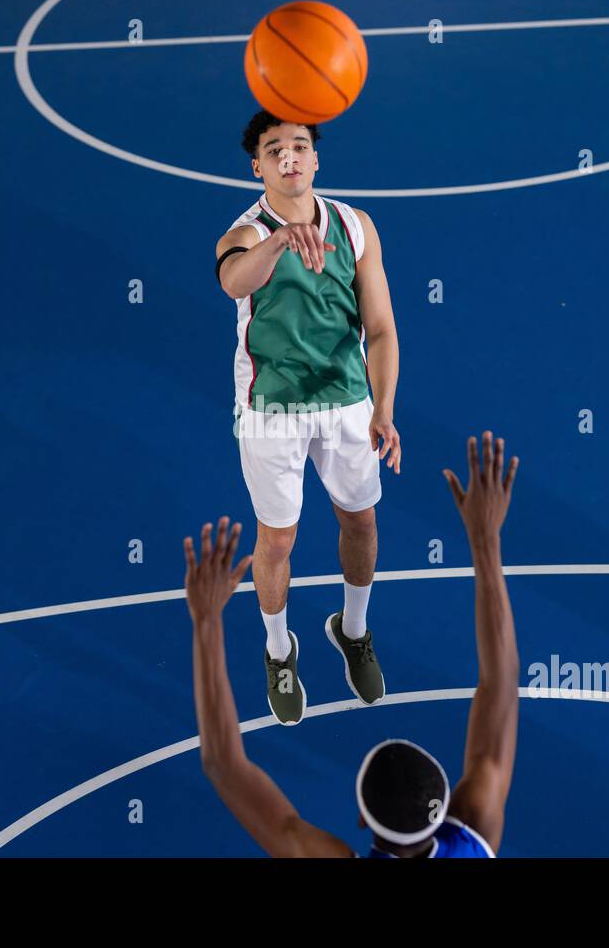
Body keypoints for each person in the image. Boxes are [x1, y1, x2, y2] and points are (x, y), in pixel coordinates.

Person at [184, 432, 520, 857]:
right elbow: (502, 684)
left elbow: (224, 768)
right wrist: (486, 541)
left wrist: (207, 620)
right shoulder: (476, 833)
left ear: (362, 818)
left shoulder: (478, 825)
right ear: (447, 808)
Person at [214, 110, 402, 725]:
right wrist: (277, 241)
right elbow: (235, 283)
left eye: (300, 145)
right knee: (279, 539)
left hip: (346, 401)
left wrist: (384, 408)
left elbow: (379, 329)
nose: (290, 157)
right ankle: (278, 650)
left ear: (316, 158)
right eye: (275, 150)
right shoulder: (242, 233)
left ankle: (352, 630)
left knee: (362, 523)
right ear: (258, 167)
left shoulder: (355, 225)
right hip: (273, 409)